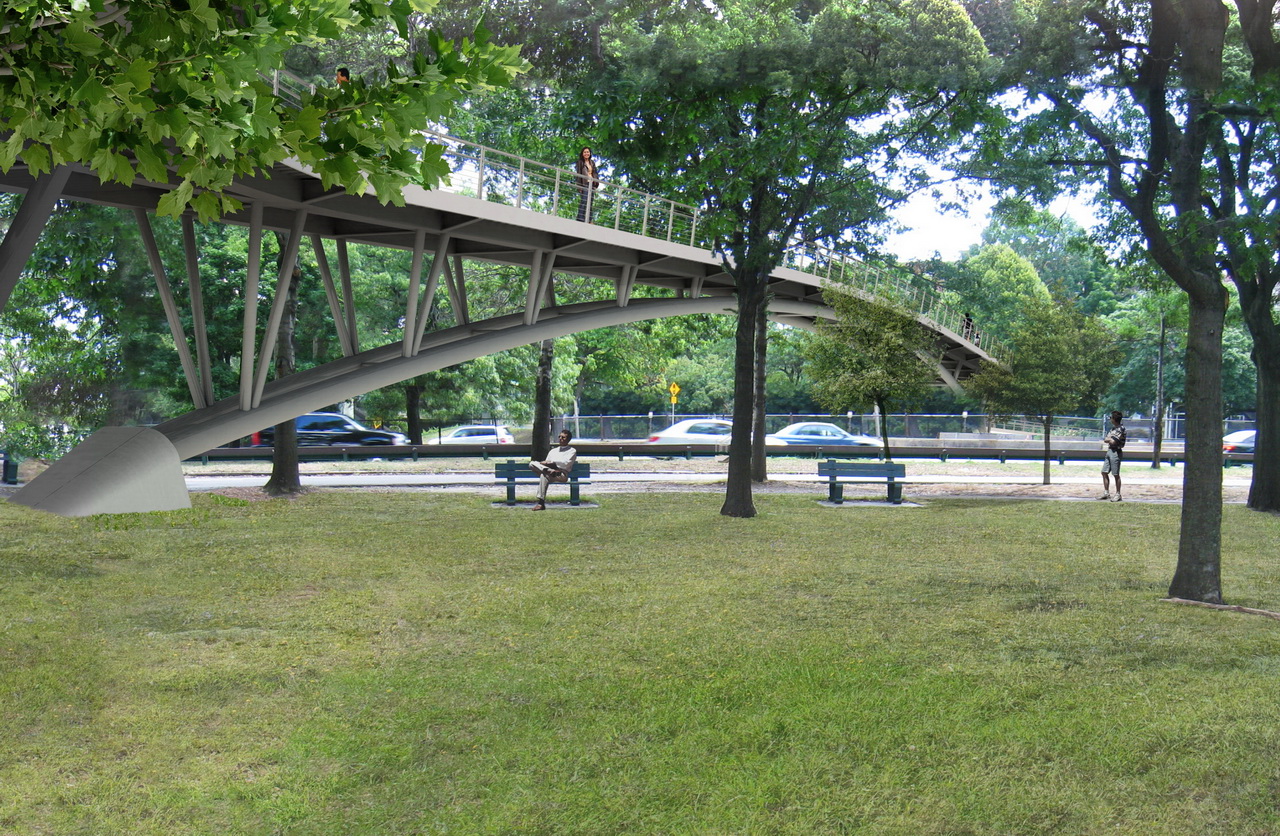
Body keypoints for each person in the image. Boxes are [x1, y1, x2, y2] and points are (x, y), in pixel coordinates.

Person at [530, 429, 577, 510]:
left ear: (568, 439)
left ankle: (541, 503)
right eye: (559, 437)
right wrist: (548, 466)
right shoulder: (553, 451)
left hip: (561, 474)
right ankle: (548, 471)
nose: (560, 439)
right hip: (550, 471)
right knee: (532, 463)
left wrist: (553, 464)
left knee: (543, 475)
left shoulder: (572, 451)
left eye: (563, 437)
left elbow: (566, 463)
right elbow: (547, 462)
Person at [1099, 410, 1127, 502]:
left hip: (1116, 452)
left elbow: (1114, 441)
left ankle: (1118, 494)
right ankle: (1106, 493)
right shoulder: (1113, 429)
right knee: (1104, 472)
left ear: (1115, 419)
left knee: (1115, 474)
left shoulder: (1121, 429)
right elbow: (1106, 439)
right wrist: (1109, 439)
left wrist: (1110, 439)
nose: (1110, 419)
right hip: (1109, 451)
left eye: (1111, 417)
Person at [574, 147, 599, 223]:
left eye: (588, 152)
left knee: (590, 201)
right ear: (582, 153)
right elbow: (578, 174)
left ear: (590, 153)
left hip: (591, 183)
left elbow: (595, 173)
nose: (586, 153)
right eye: (585, 152)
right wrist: (579, 186)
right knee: (584, 200)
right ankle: (580, 218)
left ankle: (589, 219)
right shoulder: (580, 162)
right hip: (584, 183)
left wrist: (596, 183)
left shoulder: (592, 162)